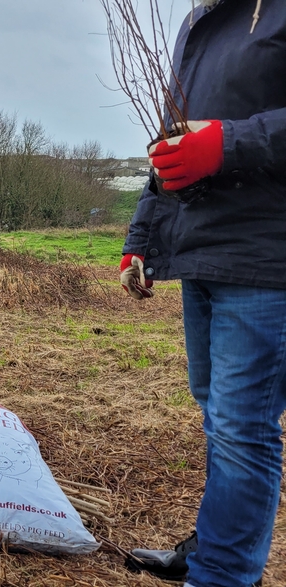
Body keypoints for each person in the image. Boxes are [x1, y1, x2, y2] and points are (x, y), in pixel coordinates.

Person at [119, 1, 284, 586]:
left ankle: (220, 574)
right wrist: (142, 237)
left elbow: (219, 137)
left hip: (267, 256)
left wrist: (226, 143)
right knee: (219, 416)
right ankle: (217, 547)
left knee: (243, 425)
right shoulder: (198, 25)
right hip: (203, 250)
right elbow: (169, 146)